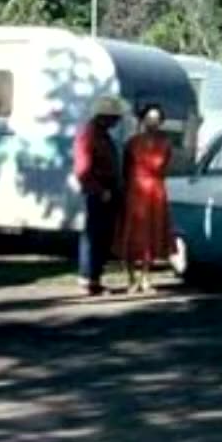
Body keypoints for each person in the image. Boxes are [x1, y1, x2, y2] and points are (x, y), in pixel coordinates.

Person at [113, 103, 176, 295]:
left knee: (152, 234)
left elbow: (166, 167)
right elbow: (125, 169)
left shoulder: (166, 143)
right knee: (132, 234)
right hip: (135, 190)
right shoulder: (132, 143)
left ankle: (146, 277)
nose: (153, 123)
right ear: (142, 120)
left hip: (155, 191)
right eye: (149, 118)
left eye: (157, 119)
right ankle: (131, 277)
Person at [73, 95, 127, 296]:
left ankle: (94, 277)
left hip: (108, 189)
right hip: (99, 190)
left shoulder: (102, 134)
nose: (117, 122)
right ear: (106, 116)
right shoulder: (90, 135)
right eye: (115, 118)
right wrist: (99, 189)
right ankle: (88, 278)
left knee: (103, 235)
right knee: (93, 235)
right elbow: (83, 169)